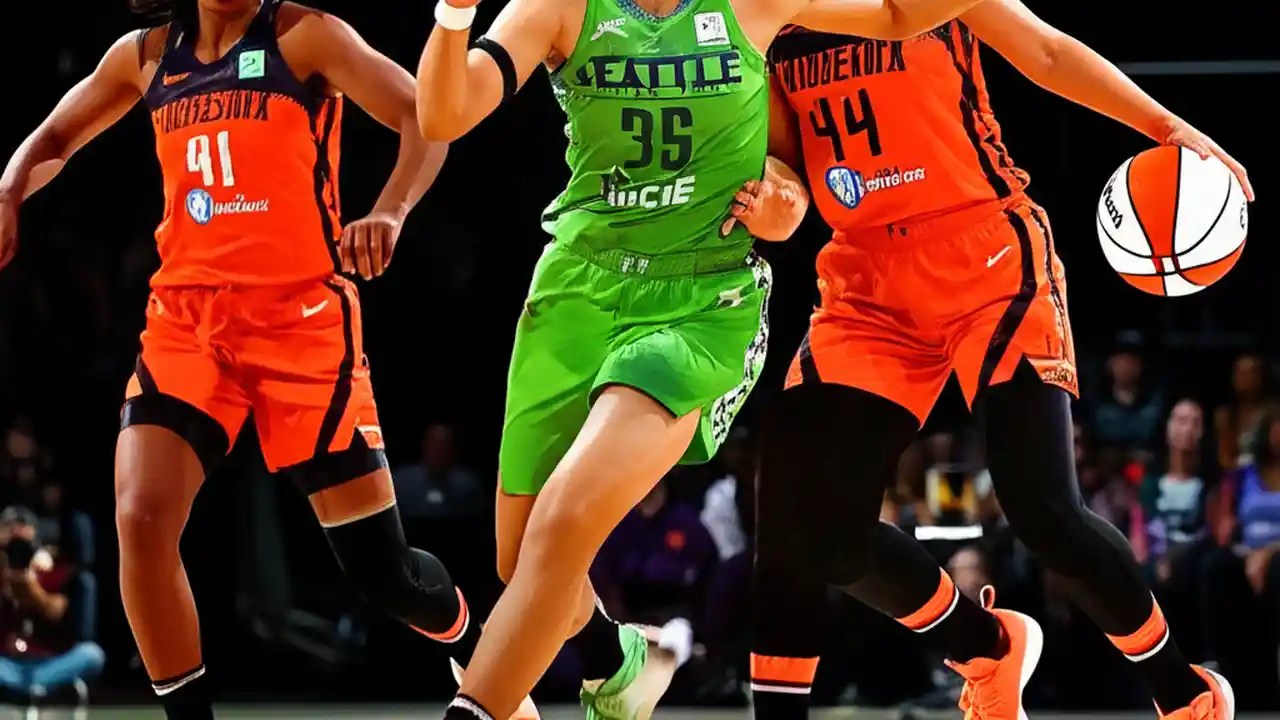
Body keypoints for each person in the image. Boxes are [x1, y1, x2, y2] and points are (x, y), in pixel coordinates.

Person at [414, 0, 987, 717]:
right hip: (576, 290)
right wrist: (454, 13)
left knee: (560, 530)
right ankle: (620, 661)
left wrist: (784, 200)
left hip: (701, 296)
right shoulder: (556, 6)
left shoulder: (754, 3)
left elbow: (889, 29)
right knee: (521, 561)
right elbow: (444, 115)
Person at [0, 1, 501, 718]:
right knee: (140, 519)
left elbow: (429, 115)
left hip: (300, 326)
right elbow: (54, 138)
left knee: (385, 576)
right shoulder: (144, 57)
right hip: (187, 324)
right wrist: (10, 186)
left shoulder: (307, 36)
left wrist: (390, 210)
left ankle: (475, 644)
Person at [753, 2, 1252, 719]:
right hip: (864, 281)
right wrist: (771, 198)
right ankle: (986, 648)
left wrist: (1165, 127)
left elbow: (1045, 53)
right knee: (814, 532)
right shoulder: (764, 12)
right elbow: (787, 166)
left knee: (1043, 511)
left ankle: (1184, 692)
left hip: (984, 254)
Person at [0, 507, 105, 706]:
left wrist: (30, 587)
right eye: (9, 528)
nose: (16, 534)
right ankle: (33, 690)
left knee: (91, 654)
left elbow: (56, 611)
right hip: (8, 661)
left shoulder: (53, 568)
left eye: (22, 527)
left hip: (48, 660)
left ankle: (27, 689)